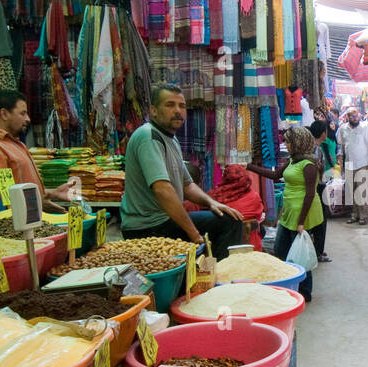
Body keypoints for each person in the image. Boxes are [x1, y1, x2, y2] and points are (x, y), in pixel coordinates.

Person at [121, 84, 245, 258]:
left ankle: (211, 274)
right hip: (147, 227)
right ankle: (217, 279)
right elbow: (162, 189)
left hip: (163, 222)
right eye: (170, 105)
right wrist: (194, 234)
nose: (178, 111)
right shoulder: (148, 136)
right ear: (154, 111)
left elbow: (187, 185)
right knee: (229, 223)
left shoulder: (170, 139)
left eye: (182, 106)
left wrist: (212, 203)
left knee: (228, 217)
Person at [0, 91, 80, 209]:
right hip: (16, 224)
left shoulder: (13, 143)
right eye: (23, 113)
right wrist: (37, 203)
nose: (28, 119)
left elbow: (17, 186)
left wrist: (52, 193)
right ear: (4, 114)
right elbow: (0, 199)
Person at [247, 125, 322, 301]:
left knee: (298, 253)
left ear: (297, 142)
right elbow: (275, 176)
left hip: (302, 211)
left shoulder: (309, 165)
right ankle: (290, 284)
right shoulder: (293, 160)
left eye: (288, 142)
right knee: (281, 249)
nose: (286, 145)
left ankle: (305, 291)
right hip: (289, 210)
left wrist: (302, 222)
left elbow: (310, 194)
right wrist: (250, 167)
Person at [337, 107, 368, 225]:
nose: (355, 119)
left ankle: (363, 216)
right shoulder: (343, 129)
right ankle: (354, 215)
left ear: (359, 116)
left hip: (362, 163)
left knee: (361, 191)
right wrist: (342, 162)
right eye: (352, 117)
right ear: (347, 117)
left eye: (356, 116)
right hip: (349, 163)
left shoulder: (365, 127)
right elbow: (343, 146)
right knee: (351, 191)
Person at [308, 119, 332, 262]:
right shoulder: (316, 149)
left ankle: (317, 250)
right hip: (317, 186)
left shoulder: (313, 147)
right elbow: (317, 169)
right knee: (320, 220)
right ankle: (317, 251)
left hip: (316, 185)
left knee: (318, 219)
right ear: (323, 133)